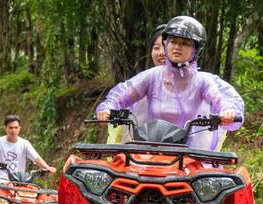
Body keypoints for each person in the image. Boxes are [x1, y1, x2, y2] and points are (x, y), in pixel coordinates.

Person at [95, 16, 244, 150]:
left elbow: (224, 99)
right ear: (166, 44)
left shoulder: (204, 81)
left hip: (189, 155)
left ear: (196, 49)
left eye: (185, 43)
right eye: (173, 41)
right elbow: (121, 95)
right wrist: (107, 108)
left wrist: (228, 112)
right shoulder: (152, 76)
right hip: (147, 150)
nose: (177, 47)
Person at [0, 115, 56, 181]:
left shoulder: (24, 144)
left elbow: (36, 158)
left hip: (19, 180)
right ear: (5, 128)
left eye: (16, 128)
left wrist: (47, 167)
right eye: (10, 128)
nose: (13, 130)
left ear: (19, 129)